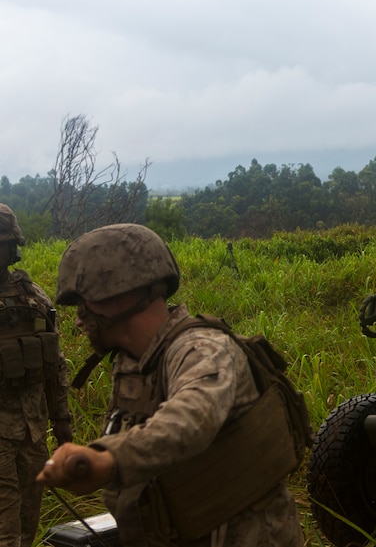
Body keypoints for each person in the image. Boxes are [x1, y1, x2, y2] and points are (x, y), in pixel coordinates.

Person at [37, 223, 303, 547]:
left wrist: (108, 459)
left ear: (121, 293)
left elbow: (190, 420)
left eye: (84, 303)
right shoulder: (134, 362)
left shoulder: (202, 349)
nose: (78, 319)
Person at [0, 203, 72, 546]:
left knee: (28, 523)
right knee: (6, 531)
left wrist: (62, 419)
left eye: (5, 244)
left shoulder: (32, 298)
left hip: (32, 433)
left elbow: (54, 363)